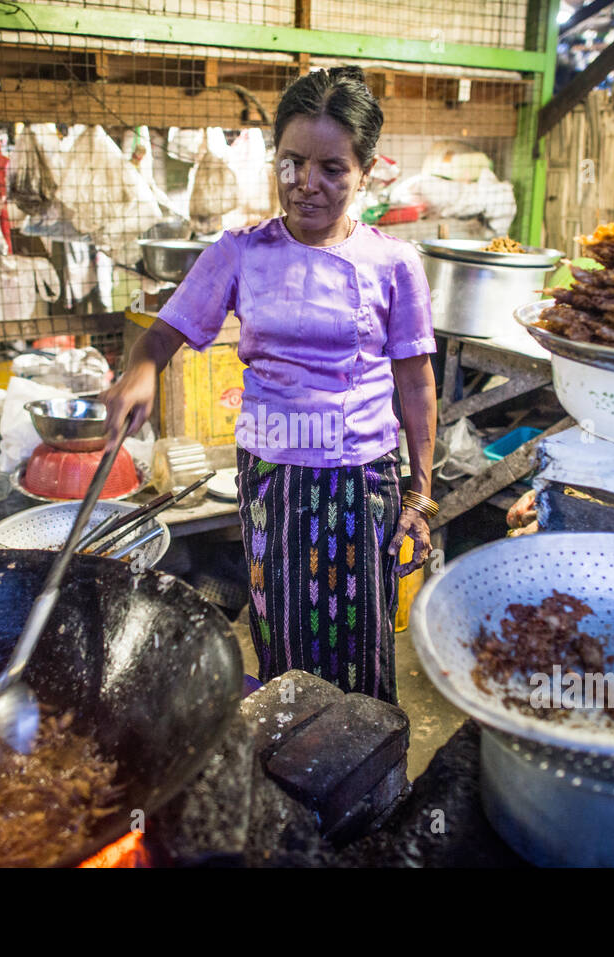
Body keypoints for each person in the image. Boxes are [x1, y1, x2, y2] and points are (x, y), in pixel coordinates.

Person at [102, 66, 438, 705]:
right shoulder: (239, 251)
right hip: (272, 480)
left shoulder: (396, 264)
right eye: (291, 163)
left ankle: (365, 783)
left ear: (366, 170)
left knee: (361, 642)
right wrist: (140, 372)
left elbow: (416, 385)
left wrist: (420, 500)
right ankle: (291, 778)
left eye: (332, 169)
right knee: (282, 639)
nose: (306, 185)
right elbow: (163, 334)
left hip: (361, 480)